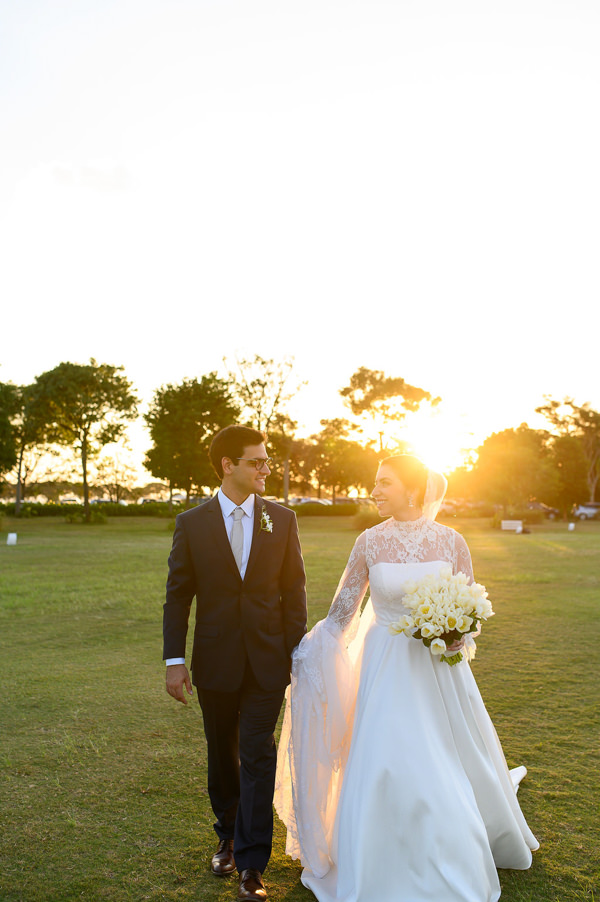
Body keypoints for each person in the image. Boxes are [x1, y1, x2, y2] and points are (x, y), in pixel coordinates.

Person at [275, 454, 538, 902]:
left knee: (447, 750)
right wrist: (309, 652)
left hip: (437, 667)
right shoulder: (369, 541)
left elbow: (469, 604)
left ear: (413, 489)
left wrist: (457, 633)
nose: (374, 491)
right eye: (375, 483)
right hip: (383, 665)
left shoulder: (452, 541)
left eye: (384, 483)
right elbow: (343, 610)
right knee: (386, 754)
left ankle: (451, 840)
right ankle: (379, 848)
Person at [164, 424, 307, 902]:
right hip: (215, 660)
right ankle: (225, 833)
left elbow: (295, 590)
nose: (267, 468)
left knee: (257, 752)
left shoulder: (282, 520)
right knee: (222, 752)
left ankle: (251, 863)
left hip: (269, 662)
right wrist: (173, 661)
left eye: (267, 461)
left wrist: (294, 651)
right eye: (257, 462)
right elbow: (178, 597)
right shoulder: (193, 522)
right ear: (228, 465)